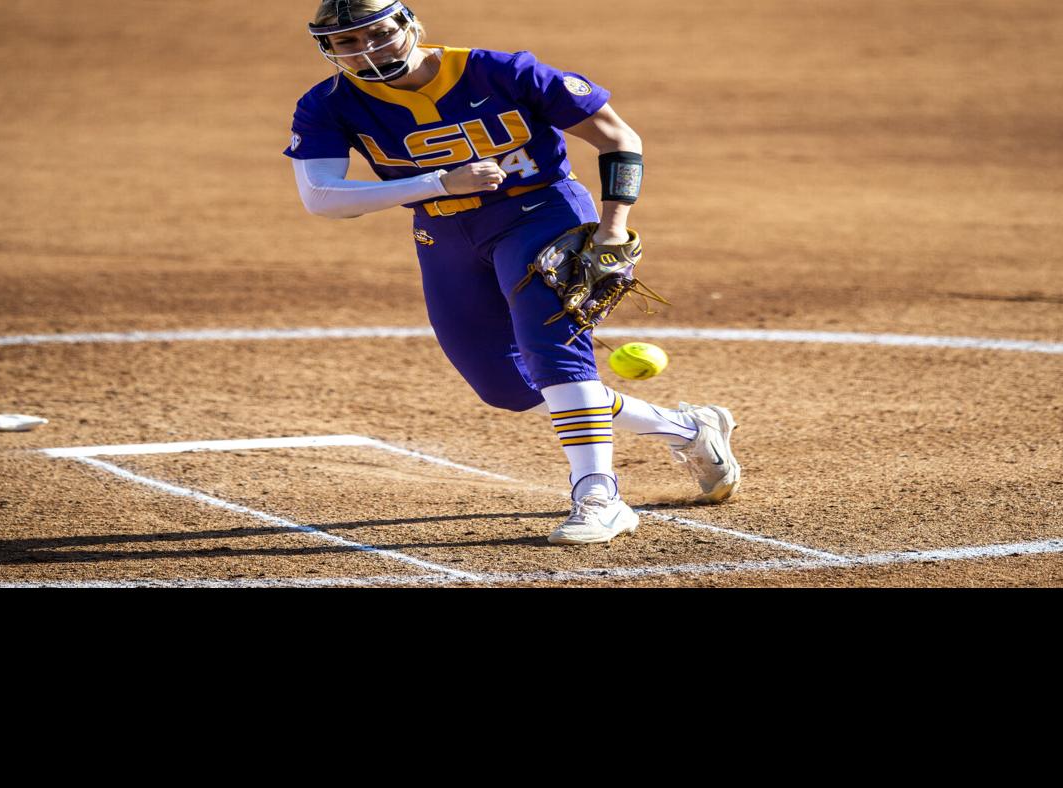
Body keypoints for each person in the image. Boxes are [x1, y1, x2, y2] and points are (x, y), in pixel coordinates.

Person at [283, 1, 740, 545]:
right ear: (328, 50)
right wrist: (438, 185)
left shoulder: (501, 71)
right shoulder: (328, 105)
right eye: (348, 44)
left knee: (553, 354)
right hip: (444, 233)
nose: (368, 51)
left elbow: (619, 138)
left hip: (540, 214)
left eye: (378, 34)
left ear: (409, 25)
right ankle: (689, 430)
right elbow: (322, 198)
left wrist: (614, 226)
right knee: (509, 386)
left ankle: (599, 494)